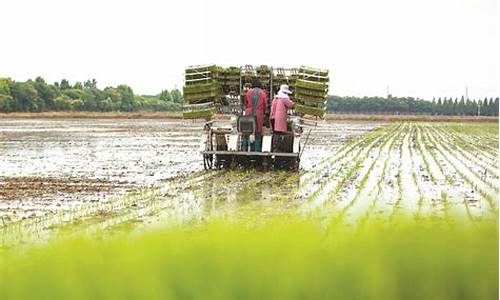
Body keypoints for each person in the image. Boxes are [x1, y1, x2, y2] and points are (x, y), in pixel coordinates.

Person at [242, 77, 267, 151]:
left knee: (246, 131)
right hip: (258, 114)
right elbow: (265, 104)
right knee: (258, 132)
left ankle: (244, 148)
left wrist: (248, 109)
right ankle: (256, 150)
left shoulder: (248, 92)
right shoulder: (262, 93)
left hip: (248, 113)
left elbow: (245, 102)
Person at [270, 84, 295, 152]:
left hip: (273, 117)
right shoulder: (284, 98)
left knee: (275, 133)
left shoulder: (276, 98)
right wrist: (297, 103)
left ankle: (274, 147)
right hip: (279, 119)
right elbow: (291, 105)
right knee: (278, 133)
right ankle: (277, 148)